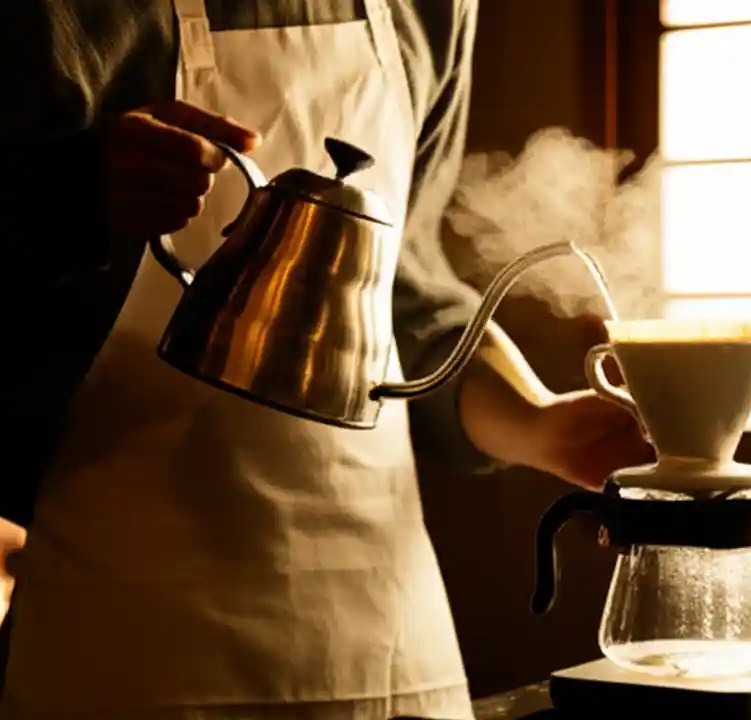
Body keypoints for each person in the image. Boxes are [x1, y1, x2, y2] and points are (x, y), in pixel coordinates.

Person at [0, 1, 650, 718]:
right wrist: (67, 197)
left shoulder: (433, 11)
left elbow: (405, 302)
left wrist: (541, 425)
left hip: (382, 629)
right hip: (123, 626)